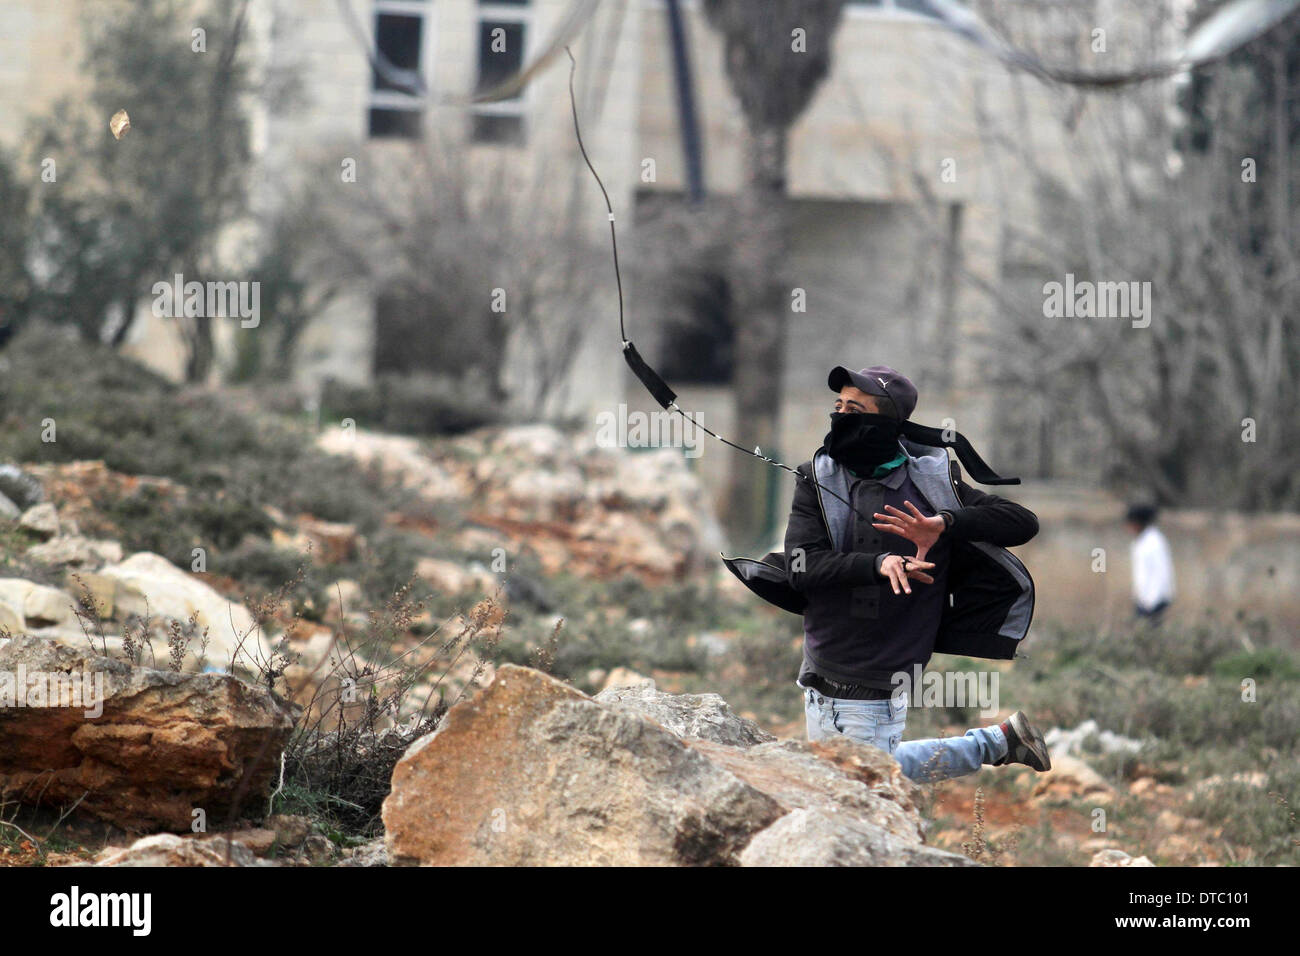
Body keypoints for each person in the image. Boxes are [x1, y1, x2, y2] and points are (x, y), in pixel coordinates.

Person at [784, 365, 1052, 782]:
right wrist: (877, 564)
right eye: (838, 406)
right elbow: (802, 565)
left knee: (862, 785)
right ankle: (999, 742)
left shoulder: (932, 481)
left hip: (877, 676)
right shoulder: (817, 476)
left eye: (854, 408)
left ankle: (995, 744)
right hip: (819, 665)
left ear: (886, 422)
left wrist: (944, 523)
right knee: (863, 775)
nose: (840, 416)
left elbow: (1021, 521)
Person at [1125, 503, 1174, 623]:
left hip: (1154, 600)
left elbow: (1161, 573)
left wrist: (1151, 603)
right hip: (1144, 600)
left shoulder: (1154, 541)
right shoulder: (1140, 541)